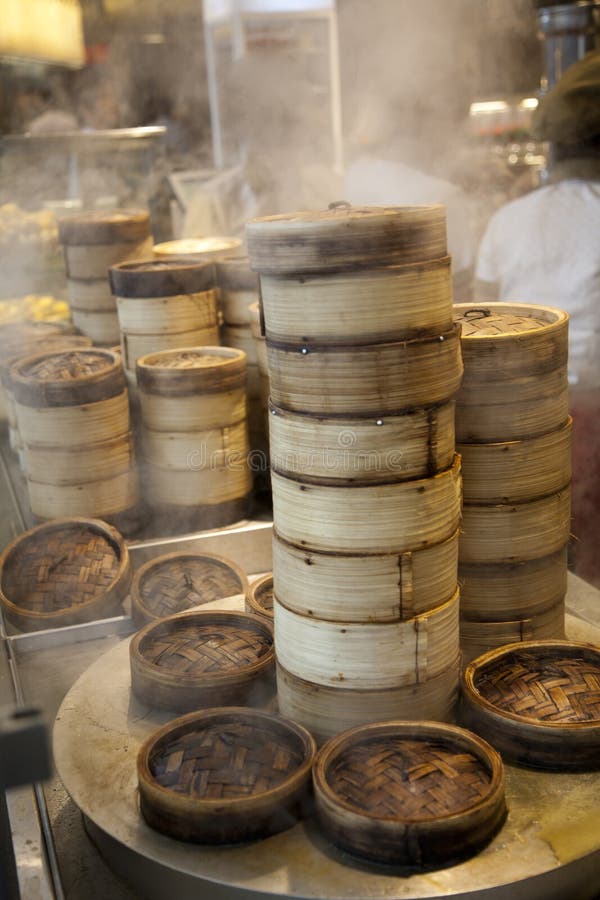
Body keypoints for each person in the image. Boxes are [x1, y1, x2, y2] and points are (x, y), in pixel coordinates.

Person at [474, 50, 600, 586]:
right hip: (592, 414)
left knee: (528, 569)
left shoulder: (508, 220)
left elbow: (479, 319)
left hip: (514, 422)